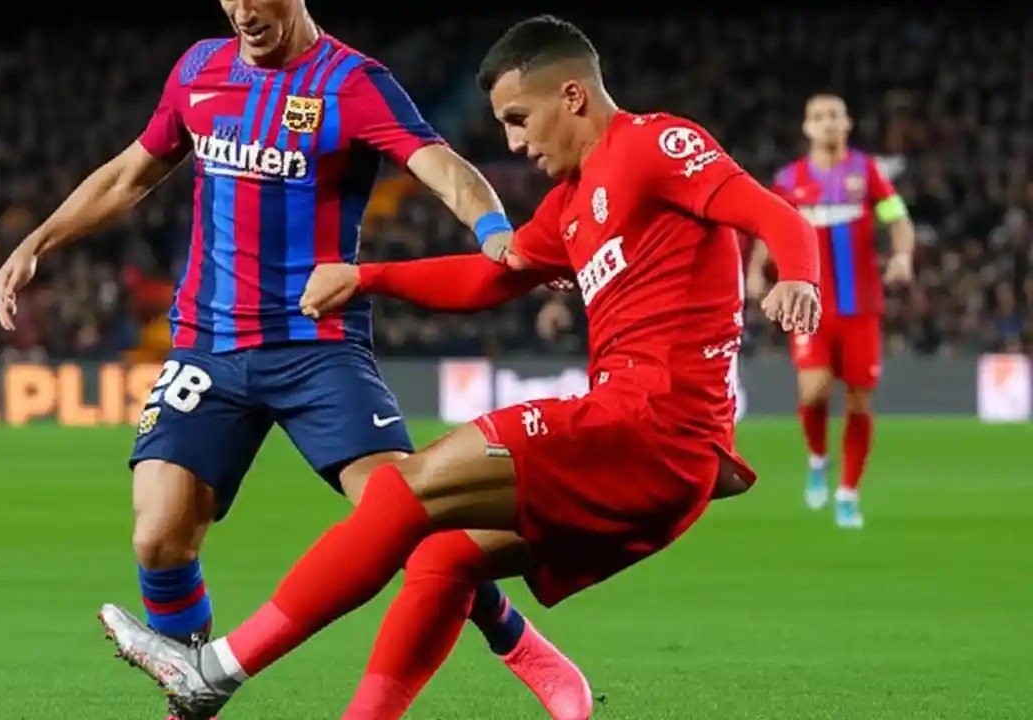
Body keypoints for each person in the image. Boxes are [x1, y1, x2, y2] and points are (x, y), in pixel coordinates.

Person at [96, 14, 822, 719]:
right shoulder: (571, 207)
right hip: (652, 465)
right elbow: (487, 281)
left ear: (572, 95)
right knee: (444, 557)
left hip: (646, 426)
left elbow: (776, 214)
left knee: (402, 492)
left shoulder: (655, 144)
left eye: (517, 117)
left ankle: (213, 669)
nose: (514, 141)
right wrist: (368, 278)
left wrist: (798, 277)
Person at [0, 2, 588, 719]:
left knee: (404, 515)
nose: (244, 11)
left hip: (317, 347)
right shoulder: (199, 70)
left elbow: (447, 172)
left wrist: (497, 236)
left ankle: (523, 645)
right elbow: (129, 174)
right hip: (208, 346)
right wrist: (37, 242)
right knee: (158, 537)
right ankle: (192, 690)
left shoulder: (355, 83)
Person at [746, 93, 915, 528]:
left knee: (858, 400)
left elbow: (897, 217)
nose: (827, 123)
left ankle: (848, 492)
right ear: (806, 128)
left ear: (848, 123)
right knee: (814, 390)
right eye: (818, 117)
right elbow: (770, 226)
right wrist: (756, 270)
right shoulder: (790, 179)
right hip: (810, 303)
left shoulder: (867, 172)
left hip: (861, 306)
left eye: (835, 115)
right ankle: (819, 458)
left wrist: (901, 256)